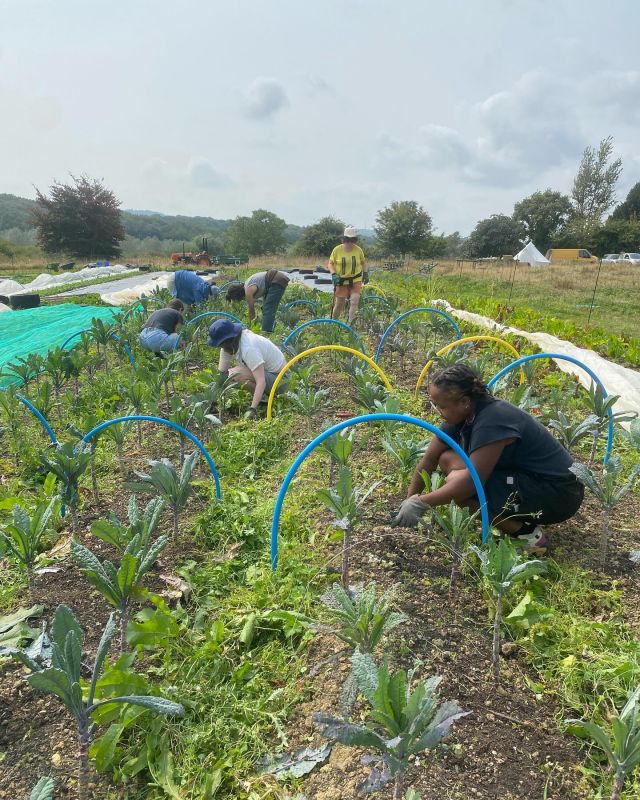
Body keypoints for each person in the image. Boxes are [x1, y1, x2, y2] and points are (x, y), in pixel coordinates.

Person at [393, 364, 584, 552]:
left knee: (461, 489)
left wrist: (422, 503)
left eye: (441, 406)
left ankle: (527, 534)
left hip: (557, 492)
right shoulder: (462, 415)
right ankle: (512, 513)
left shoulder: (492, 420)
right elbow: (430, 458)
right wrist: (409, 501)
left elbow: (470, 483)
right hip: (526, 476)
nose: (437, 411)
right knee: (447, 459)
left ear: (464, 402)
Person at [206, 318, 288, 418]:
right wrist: (213, 402)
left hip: (282, 381)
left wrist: (252, 409)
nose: (221, 348)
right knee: (229, 376)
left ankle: (263, 401)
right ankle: (264, 398)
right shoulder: (229, 346)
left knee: (237, 373)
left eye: (221, 345)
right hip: (269, 376)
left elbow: (261, 381)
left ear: (228, 341)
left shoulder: (249, 348)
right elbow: (221, 374)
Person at [226, 270, 290, 333]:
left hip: (276, 280)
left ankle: (266, 333)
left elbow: (251, 311)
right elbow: (264, 288)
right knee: (266, 308)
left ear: (237, 295)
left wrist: (251, 327)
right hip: (274, 280)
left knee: (268, 310)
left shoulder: (248, 291)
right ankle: (269, 328)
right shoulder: (247, 285)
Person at [328, 226, 369, 324]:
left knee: (354, 302)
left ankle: (350, 325)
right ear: (344, 239)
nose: (349, 242)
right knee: (339, 304)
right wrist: (333, 274)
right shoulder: (337, 250)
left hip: (355, 280)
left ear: (354, 240)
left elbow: (363, 263)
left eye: (352, 240)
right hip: (341, 281)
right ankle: (334, 323)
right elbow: (330, 263)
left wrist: (366, 273)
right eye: (347, 239)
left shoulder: (358, 250)